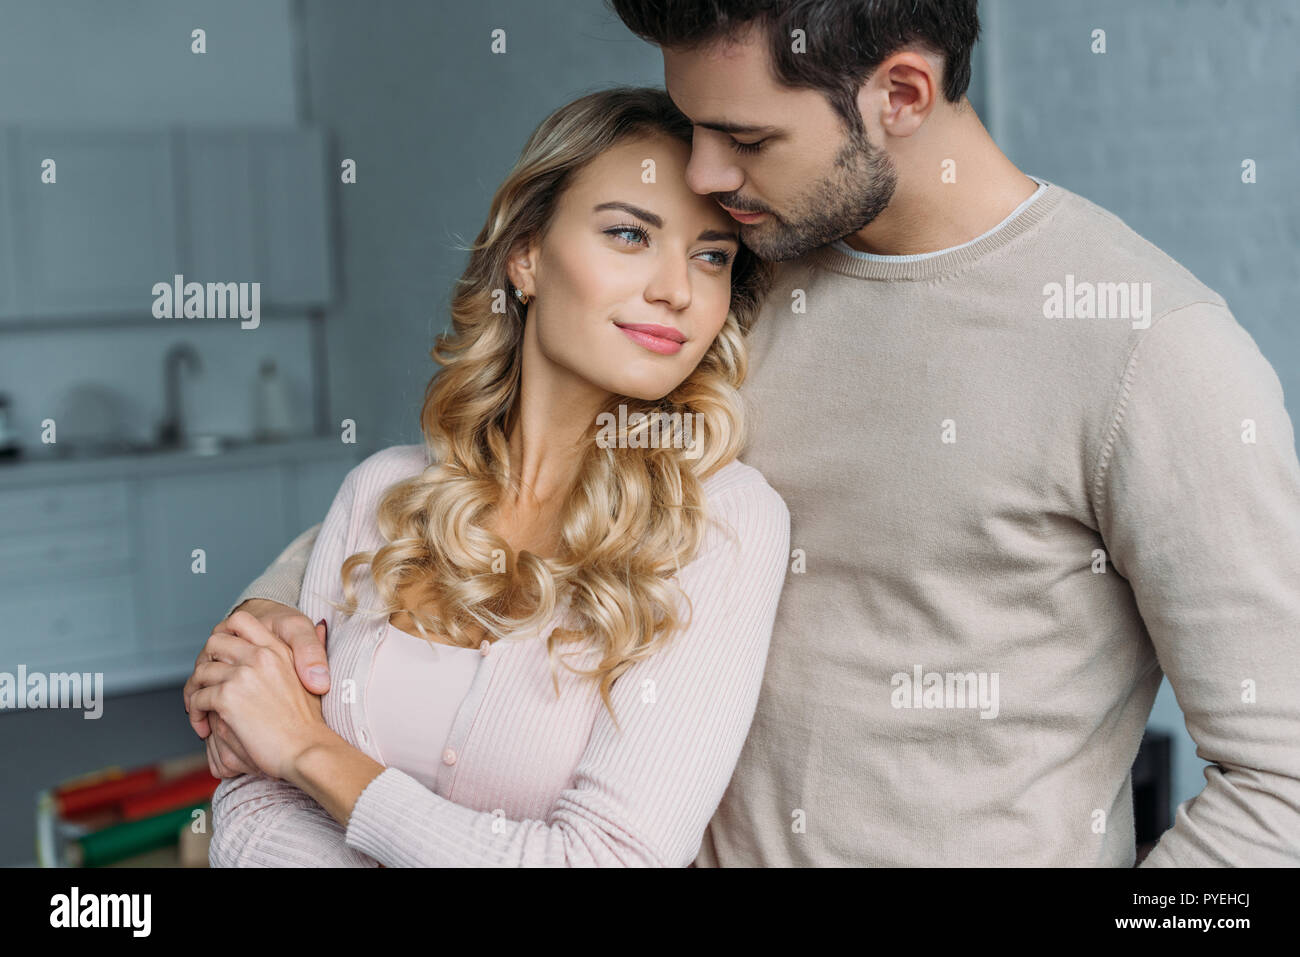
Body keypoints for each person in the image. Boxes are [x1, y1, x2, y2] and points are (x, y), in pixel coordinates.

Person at [192, 0, 1300, 866]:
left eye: (743, 136)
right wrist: (270, 617)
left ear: (900, 94)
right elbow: (490, 480)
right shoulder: (736, 271)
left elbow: (1282, 789)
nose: (708, 176)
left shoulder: (1149, 353)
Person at [185, 86, 790, 867]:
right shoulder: (382, 494)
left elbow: (608, 860)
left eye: (712, 255)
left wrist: (309, 751)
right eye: (629, 235)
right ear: (527, 256)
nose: (678, 288)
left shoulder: (723, 523)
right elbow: (250, 800)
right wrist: (279, 752)